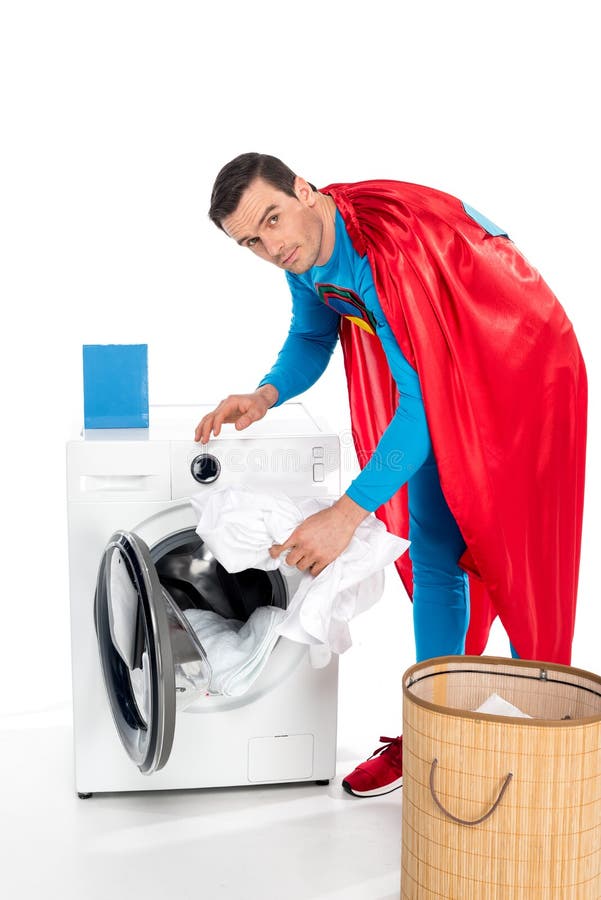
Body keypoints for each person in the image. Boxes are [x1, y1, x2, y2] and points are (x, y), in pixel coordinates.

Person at [195, 153, 587, 797]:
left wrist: (347, 515)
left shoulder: (385, 255)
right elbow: (314, 334)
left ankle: (540, 741)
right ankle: (433, 731)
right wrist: (265, 395)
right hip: (452, 367)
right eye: (252, 242)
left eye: (273, 220)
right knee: (433, 545)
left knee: (516, 558)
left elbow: (423, 403)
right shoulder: (305, 247)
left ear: (304, 189)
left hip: (522, 368)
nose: (273, 246)